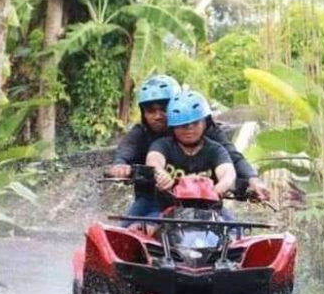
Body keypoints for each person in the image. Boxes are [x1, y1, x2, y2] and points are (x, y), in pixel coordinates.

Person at [104, 74, 268, 202]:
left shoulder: (208, 133)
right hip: (153, 201)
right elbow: (126, 154)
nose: (158, 116)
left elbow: (232, 158)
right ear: (143, 113)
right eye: (150, 111)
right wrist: (120, 167)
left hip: (203, 203)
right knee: (126, 234)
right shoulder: (143, 135)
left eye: (164, 109)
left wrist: (251, 180)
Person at [145, 90, 236, 217]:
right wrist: (160, 174)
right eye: (183, 125)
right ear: (173, 127)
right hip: (165, 209)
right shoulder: (162, 145)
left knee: (234, 233)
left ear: (205, 123)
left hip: (211, 211)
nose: (189, 129)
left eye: (195, 123)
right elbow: (154, 160)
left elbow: (227, 172)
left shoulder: (215, 149)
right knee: (141, 230)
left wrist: (218, 189)